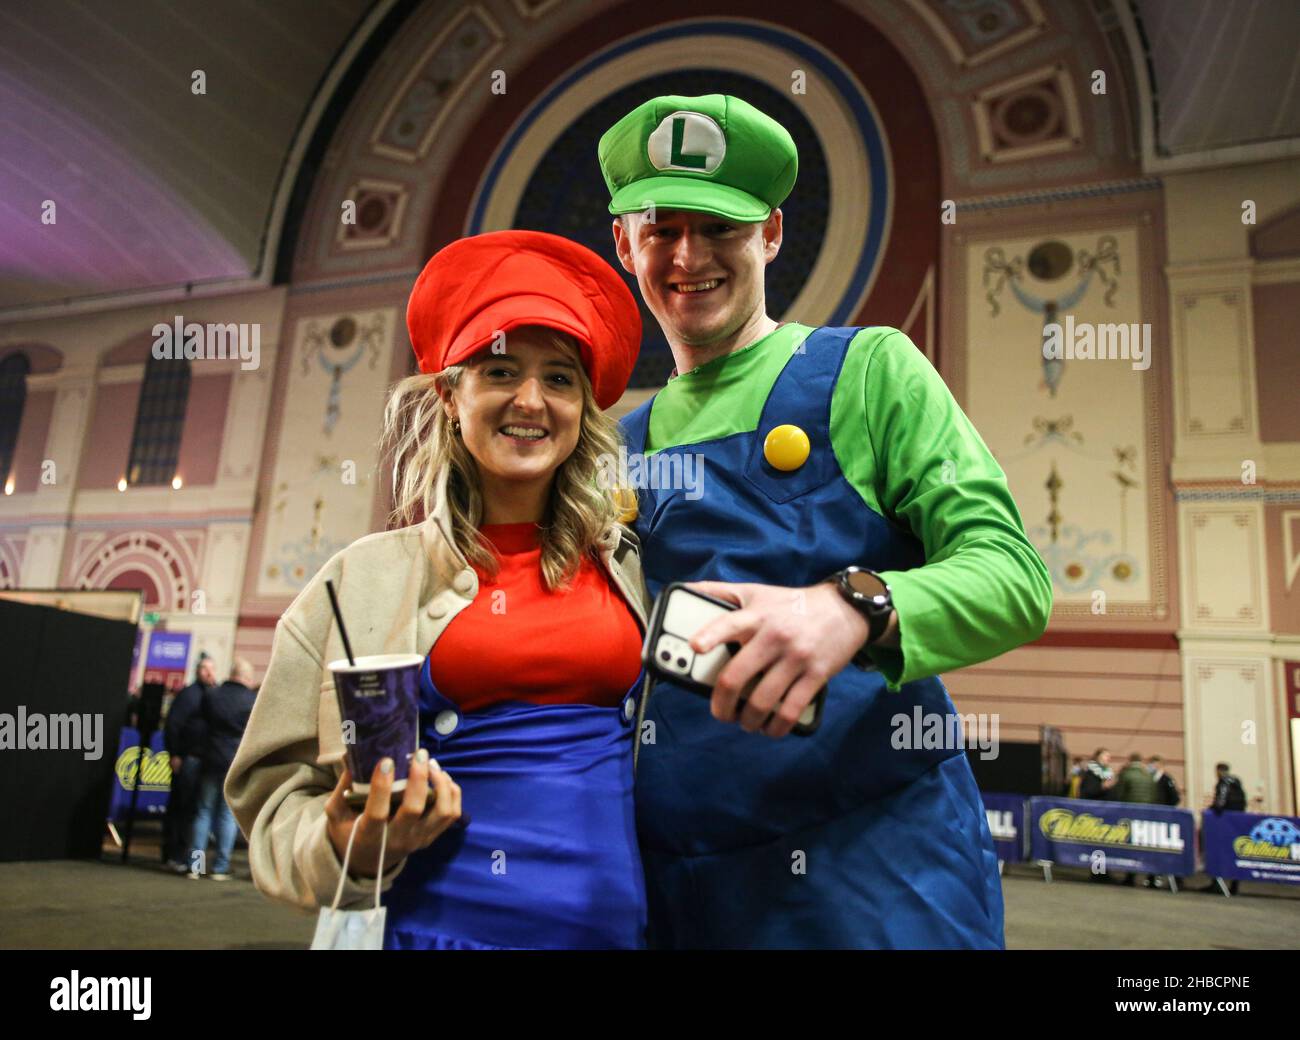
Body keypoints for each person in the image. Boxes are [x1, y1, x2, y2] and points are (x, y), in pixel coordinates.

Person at [599, 94, 1053, 948]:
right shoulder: (610, 448)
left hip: (875, 872)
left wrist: (853, 607)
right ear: (625, 243)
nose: (688, 255)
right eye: (661, 229)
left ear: (770, 235)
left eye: (721, 228)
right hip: (672, 888)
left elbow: (1012, 575)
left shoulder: (870, 370)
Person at [227, 231, 650, 949]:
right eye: (500, 370)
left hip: (609, 930)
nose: (530, 400)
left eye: (559, 378)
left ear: (582, 411)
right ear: (452, 398)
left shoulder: (633, 567)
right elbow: (269, 800)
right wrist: (351, 843)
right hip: (428, 929)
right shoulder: (357, 583)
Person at [190, 659, 257, 880]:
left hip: (210, 758)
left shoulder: (212, 695)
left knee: (203, 812)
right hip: (234, 763)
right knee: (227, 816)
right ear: (247, 678)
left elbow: (201, 725)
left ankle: (196, 867)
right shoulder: (252, 700)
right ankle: (220, 867)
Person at [162, 654, 216, 873]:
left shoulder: (214, 695)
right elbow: (173, 725)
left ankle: (194, 863)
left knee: (199, 814)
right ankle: (174, 856)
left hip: (207, 761)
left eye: (211, 668)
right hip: (188, 759)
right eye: (204, 668)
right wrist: (175, 754)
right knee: (182, 810)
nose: (208, 672)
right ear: (197, 670)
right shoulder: (188, 695)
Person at [1200, 762, 1247, 895]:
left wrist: (1210, 810)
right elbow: (1243, 802)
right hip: (1237, 822)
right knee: (1235, 852)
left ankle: (1216, 883)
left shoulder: (1222, 783)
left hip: (1222, 824)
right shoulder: (1237, 781)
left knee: (1218, 852)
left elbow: (1220, 803)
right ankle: (1235, 885)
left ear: (1219, 771)